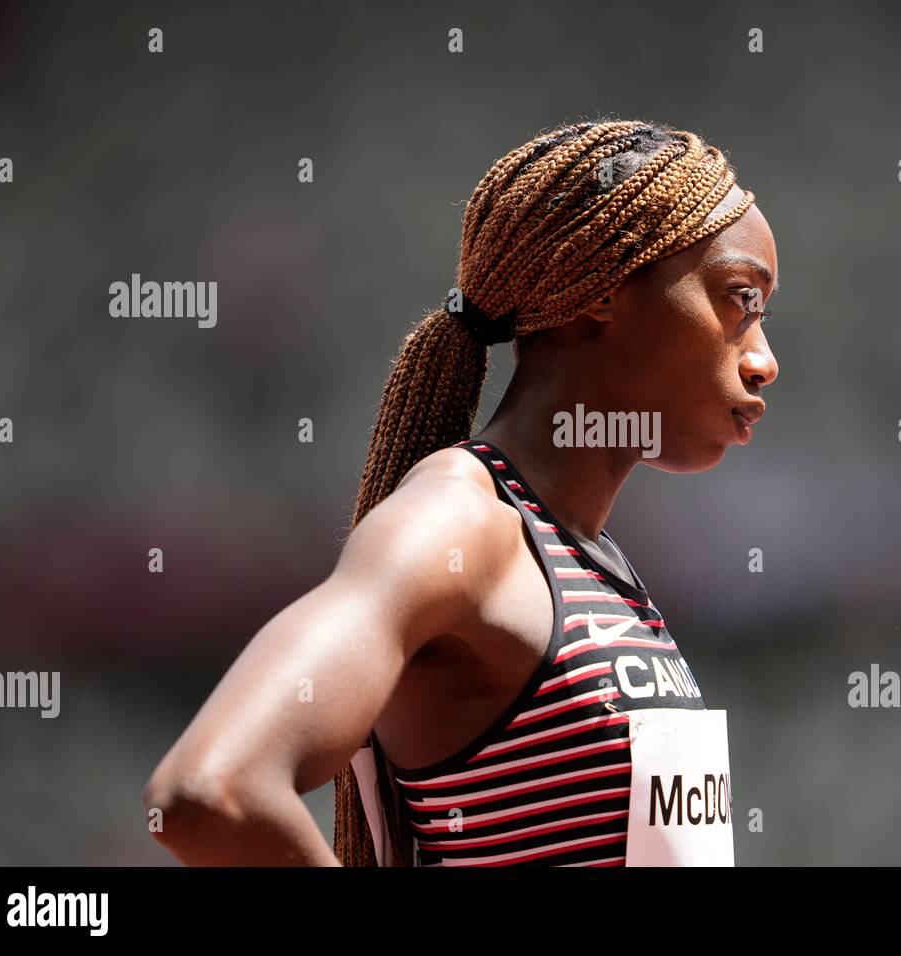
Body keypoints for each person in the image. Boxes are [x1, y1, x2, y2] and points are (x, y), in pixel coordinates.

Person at [143, 118, 779, 866]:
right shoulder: (462, 525)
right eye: (741, 300)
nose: (763, 360)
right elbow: (210, 792)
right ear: (601, 289)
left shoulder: (591, 560)